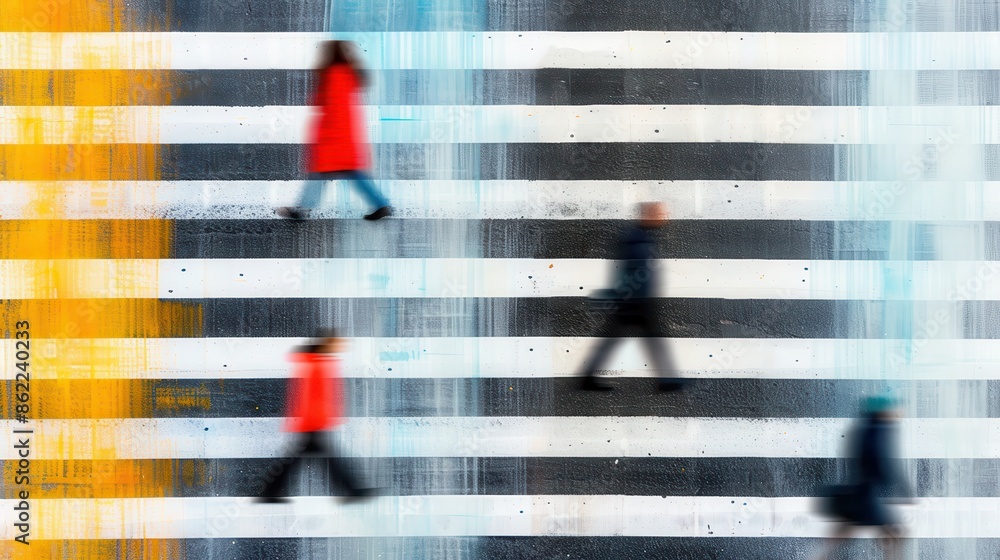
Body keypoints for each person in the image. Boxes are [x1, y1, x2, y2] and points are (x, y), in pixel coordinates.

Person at [255, 329, 376, 503]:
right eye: (336, 343)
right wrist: (320, 419)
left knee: (310, 460)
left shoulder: (316, 362)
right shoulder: (316, 364)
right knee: (329, 460)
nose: (341, 346)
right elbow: (312, 398)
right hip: (313, 422)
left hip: (313, 421)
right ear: (327, 343)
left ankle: (269, 492)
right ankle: (351, 490)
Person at [276, 40, 392, 221]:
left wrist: (326, 138)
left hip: (334, 138)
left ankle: (303, 208)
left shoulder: (334, 76)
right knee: (353, 174)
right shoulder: (347, 75)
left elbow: (332, 108)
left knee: (320, 174)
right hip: (343, 137)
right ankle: (380, 204)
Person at [577, 201, 685, 392]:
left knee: (616, 340)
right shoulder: (638, 240)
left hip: (632, 300)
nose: (664, 218)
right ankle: (668, 380)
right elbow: (631, 271)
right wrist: (631, 297)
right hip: (635, 301)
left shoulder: (641, 237)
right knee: (651, 340)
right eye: (659, 214)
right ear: (647, 216)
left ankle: (588, 377)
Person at [815, 395, 914, 560]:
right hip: (868, 496)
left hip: (861, 494)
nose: (898, 412)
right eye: (894, 409)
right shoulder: (878, 431)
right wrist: (905, 490)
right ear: (883, 411)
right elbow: (885, 463)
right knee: (895, 533)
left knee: (844, 533)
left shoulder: (866, 428)